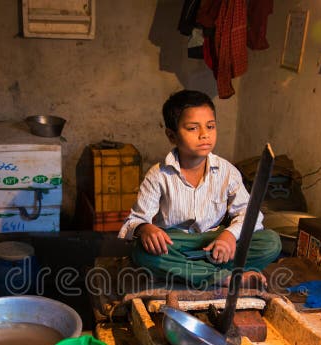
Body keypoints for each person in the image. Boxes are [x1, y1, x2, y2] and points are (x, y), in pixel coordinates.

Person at [118, 89, 281, 288]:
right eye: (193, 128)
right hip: (175, 245)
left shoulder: (227, 171)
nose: (204, 135)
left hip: (214, 242)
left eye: (210, 126)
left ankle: (190, 272)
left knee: (271, 242)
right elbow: (134, 220)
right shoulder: (158, 175)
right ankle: (225, 277)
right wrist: (145, 229)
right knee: (141, 253)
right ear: (172, 135)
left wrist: (229, 236)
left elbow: (251, 214)